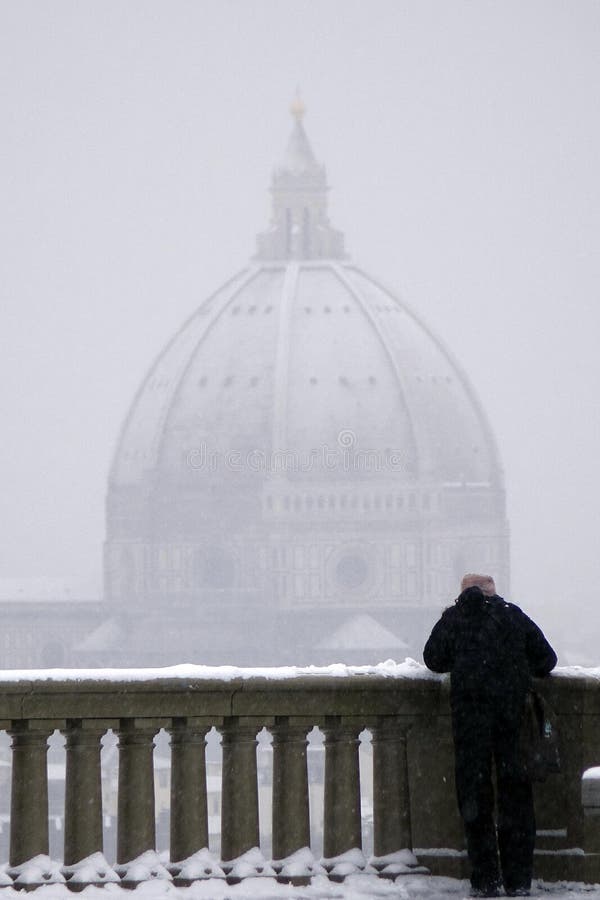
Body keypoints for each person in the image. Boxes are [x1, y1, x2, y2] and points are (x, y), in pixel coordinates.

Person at [423, 573, 557, 898]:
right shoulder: (512, 615)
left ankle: (485, 880)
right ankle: (518, 880)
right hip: (513, 721)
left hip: (470, 723)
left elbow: (433, 659)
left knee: (475, 800)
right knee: (516, 799)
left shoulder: (454, 618)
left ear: (463, 594)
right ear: (492, 592)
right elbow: (547, 660)